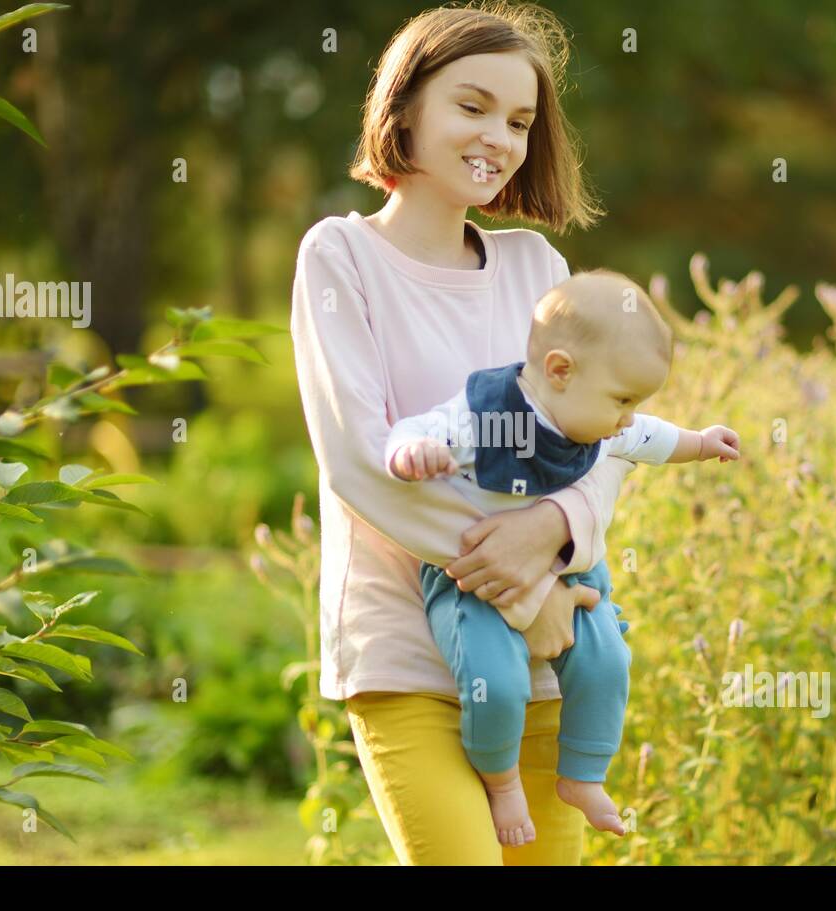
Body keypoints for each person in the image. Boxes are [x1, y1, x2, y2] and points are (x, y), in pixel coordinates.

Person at [291, 2, 633, 865]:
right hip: (406, 652)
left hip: (549, 655)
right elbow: (362, 464)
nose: (500, 138)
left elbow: (603, 432)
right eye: (472, 107)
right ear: (403, 109)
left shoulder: (539, 270)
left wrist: (556, 532)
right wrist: (521, 582)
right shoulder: (339, 257)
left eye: (519, 122)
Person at [385, 269, 741, 847]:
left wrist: (700, 443)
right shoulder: (486, 414)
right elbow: (417, 430)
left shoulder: (599, 422)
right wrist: (414, 451)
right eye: (622, 400)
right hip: (475, 582)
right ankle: (501, 784)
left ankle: (582, 774)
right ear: (559, 370)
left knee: (607, 661)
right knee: (495, 685)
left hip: (570, 573)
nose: (627, 417)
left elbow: (647, 436)